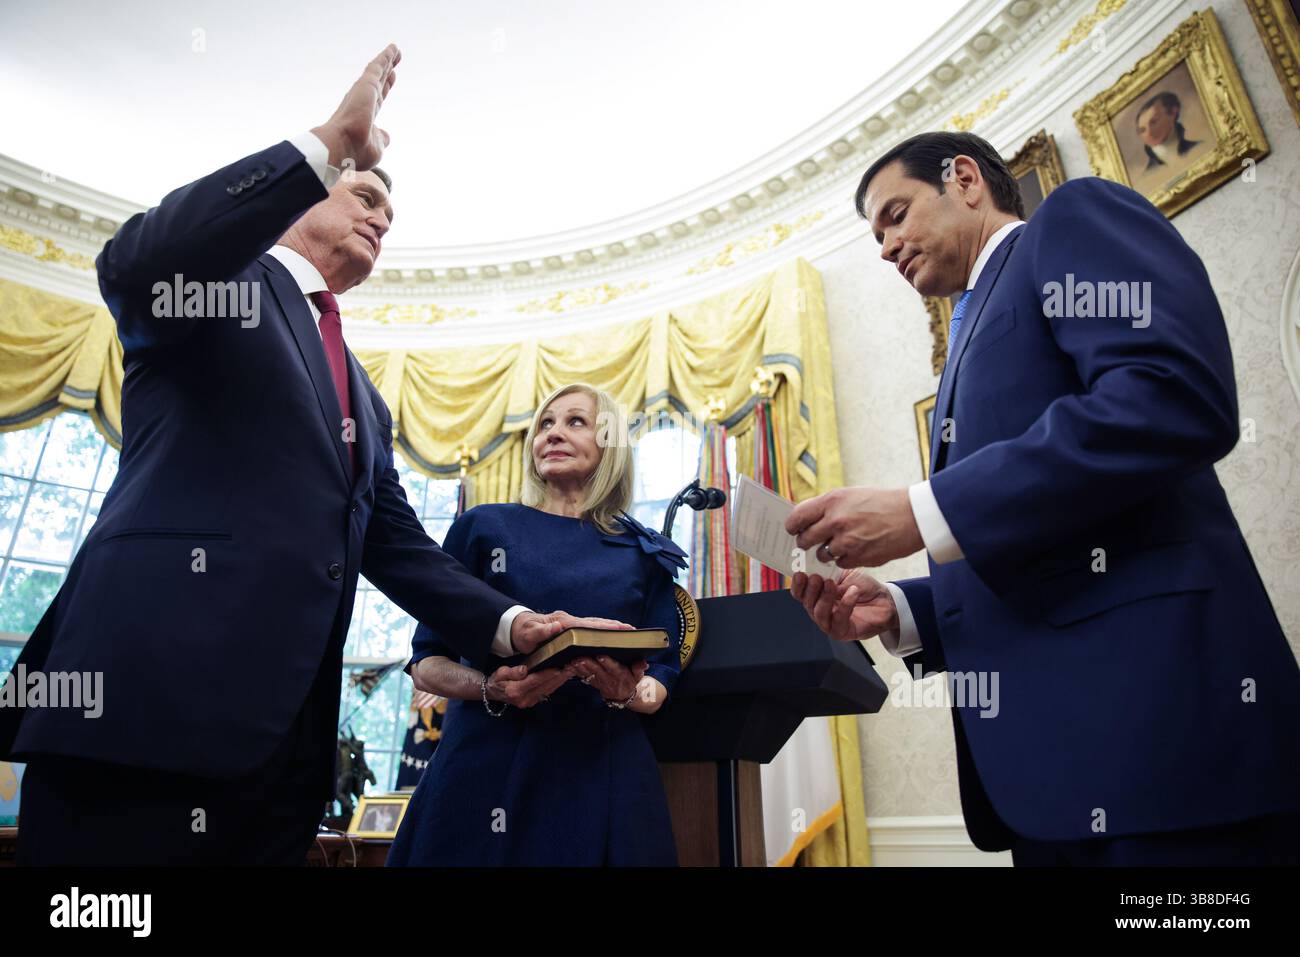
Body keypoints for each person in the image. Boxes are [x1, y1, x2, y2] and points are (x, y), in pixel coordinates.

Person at [0, 46, 617, 866]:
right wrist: (329, 141)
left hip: (279, 762)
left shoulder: (364, 393)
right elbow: (137, 262)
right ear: (301, 197)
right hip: (140, 716)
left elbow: (394, 547)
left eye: (388, 219)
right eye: (364, 198)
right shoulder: (220, 288)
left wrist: (512, 624)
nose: (381, 221)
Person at [786, 130, 1300, 865]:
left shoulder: (1070, 221)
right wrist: (904, 609)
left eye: (895, 213)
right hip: (1047, 791)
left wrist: (921, 510)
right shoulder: (965, 332)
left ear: (965, 179)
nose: (885, 245)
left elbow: (1173, 395)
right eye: (875, 234)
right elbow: (1045, 545)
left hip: (1163, 756)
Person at [387, 384, 685, 866]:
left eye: (575, 422)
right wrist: (493, 687)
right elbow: (426, 665)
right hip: (489, 761)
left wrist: (627, 693)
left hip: (603, 766)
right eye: (545, 424)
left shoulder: (645, 552)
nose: (553, 434)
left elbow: (662, 676)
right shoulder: (483, 528)